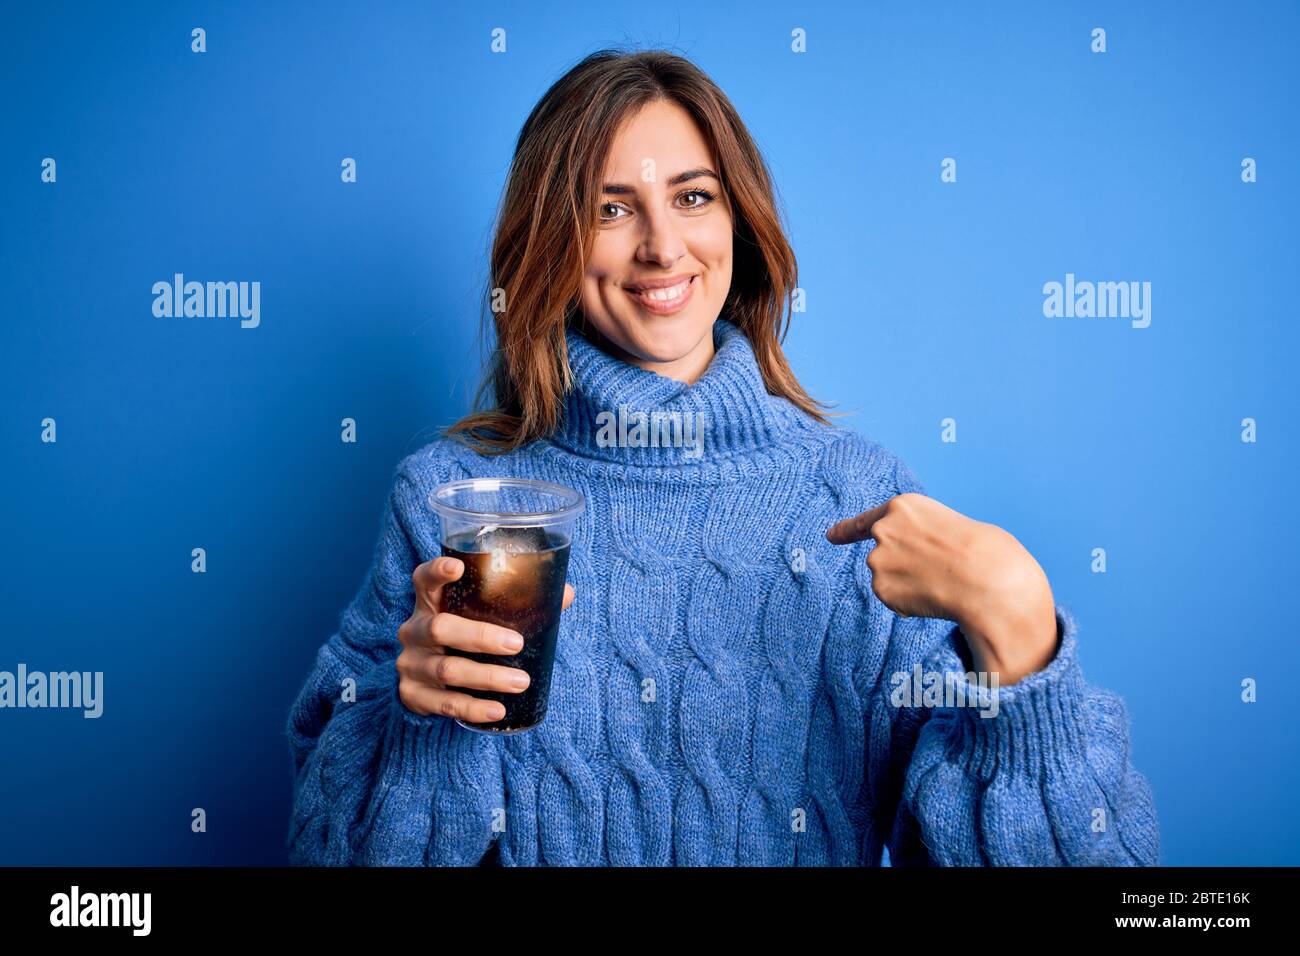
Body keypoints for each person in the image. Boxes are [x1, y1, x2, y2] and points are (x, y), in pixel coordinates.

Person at [285, 48, 1160, 866]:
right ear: (551, 239)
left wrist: (1016, 627)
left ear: (740, 220)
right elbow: (328, 848)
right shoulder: (449, 498)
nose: (663, 246)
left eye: (694, 197)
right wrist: (414, 722)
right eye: (611, 208)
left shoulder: (858, 498)